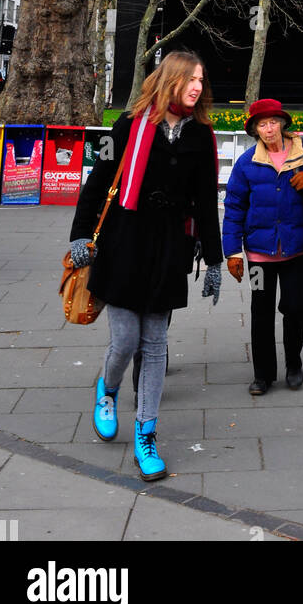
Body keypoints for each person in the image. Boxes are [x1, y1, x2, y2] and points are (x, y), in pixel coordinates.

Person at [68, 50, 222, 481]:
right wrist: (81, 235)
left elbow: (207, 203)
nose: (197, 86)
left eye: (200, 79)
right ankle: (108, 387)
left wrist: (213, 260)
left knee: (155, 344)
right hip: (123, 242)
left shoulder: (203, 137)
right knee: (125, 340)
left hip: (171, 248)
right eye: (190, 78)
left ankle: (146, 433)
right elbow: (97, 180)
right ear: (170, 79)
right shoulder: (128, 124)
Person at [223, 98, 303, 395]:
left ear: (283, 123)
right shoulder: (246, 162)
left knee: (294, 307)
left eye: (273, 121)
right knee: (260, 310)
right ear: (254, 129)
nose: (269, 128)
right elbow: (234, 207)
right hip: (259, 256)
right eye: (262, 124)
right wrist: (233, 252)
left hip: (297, 252)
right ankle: (262, 375)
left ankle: (294, 365)